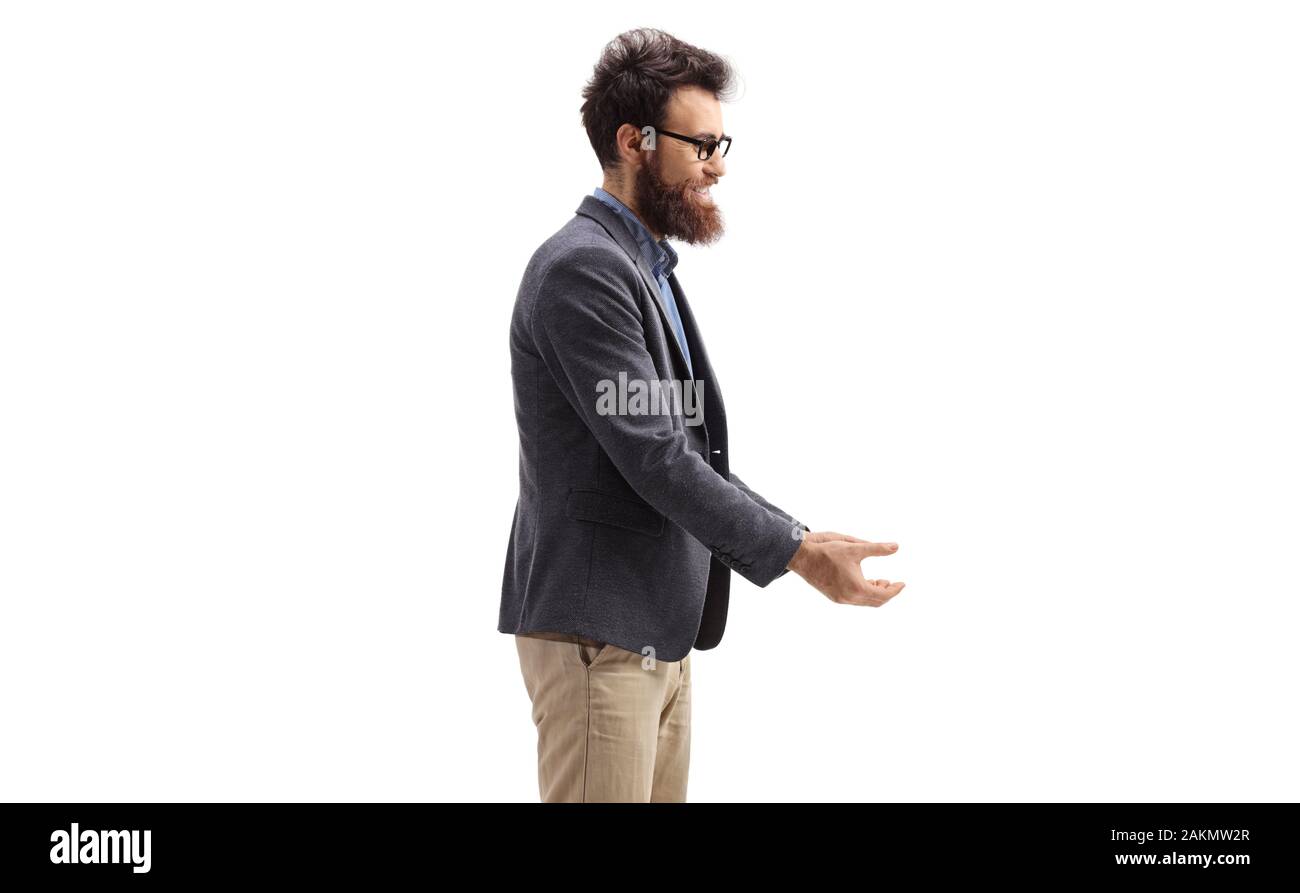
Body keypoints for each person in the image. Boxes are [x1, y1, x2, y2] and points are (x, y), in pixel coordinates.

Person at [499, 27, 905, 802]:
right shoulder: (584, 268)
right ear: (633, 141)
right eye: (701, 145)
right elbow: (656, 458)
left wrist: (797, 531)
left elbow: (684, 447)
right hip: (600, 634)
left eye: (724, 144)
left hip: (652, 630)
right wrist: (796, 556)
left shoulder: (641, 267)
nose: (718, 165)